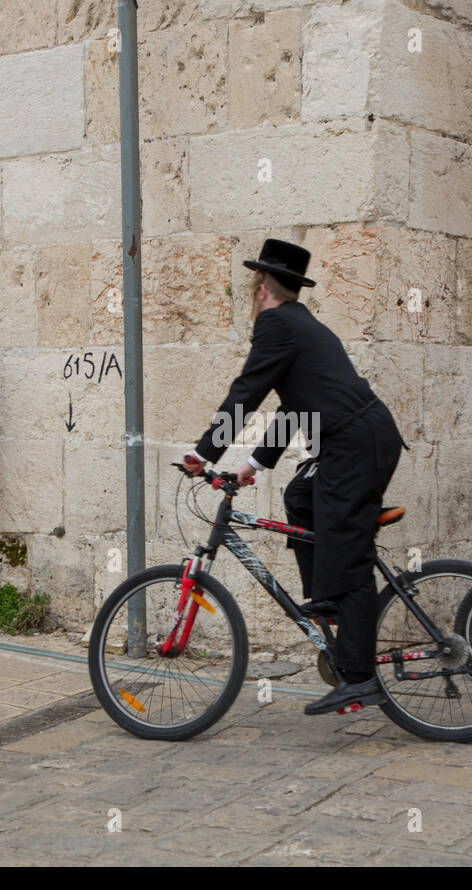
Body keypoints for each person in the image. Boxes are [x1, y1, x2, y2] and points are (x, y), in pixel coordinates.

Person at [181, 239, 407, 714]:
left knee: (348, 553)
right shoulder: (299, 324)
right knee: (301, 495)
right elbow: (290, 406)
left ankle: (360, 677)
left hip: (355, 444)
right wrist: (253, 465)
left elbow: (246, 392)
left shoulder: (275, 322)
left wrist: (203, 453)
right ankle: (326, 600)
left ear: (260, 288)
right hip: (359, 437)